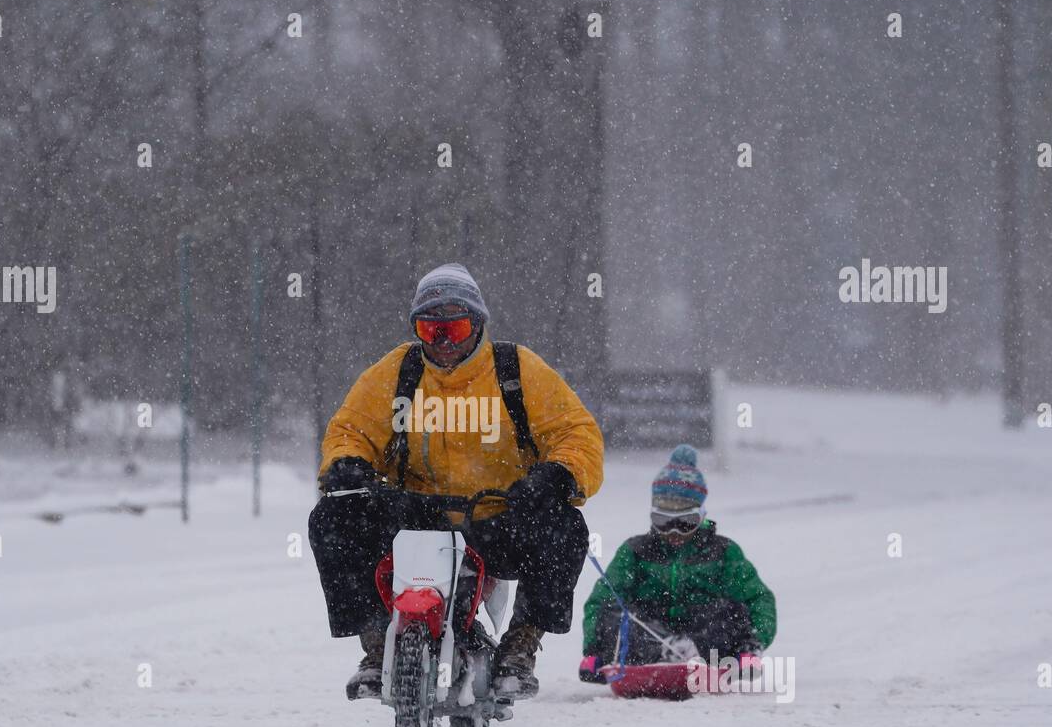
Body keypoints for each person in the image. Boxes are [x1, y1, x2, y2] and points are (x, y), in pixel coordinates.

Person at [309, 263, 603, 701]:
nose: (443, 342)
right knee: (331, 518)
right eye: (430, 330)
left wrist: (555, 475)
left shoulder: (516, 370)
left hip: (498, 518)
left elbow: (575, 432)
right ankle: (375, 646)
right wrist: (347, 464)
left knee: (565, 527)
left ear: (478, 324)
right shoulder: (399, 373)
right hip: (414, 518)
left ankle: (521, 645)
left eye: (455, 327)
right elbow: (351, 430)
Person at [579, 444, 775, 681]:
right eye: (663, 521)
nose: (673, 532)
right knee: (618, 613)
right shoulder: (635, 551)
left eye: (685, 522)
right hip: (650, 637)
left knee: (731, 612)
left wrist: (754, 644)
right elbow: (602, 599)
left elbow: (758, 598)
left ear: (701, 516)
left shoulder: (723, 551)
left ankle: (693, 652)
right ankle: (665, 651)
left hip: (707, 640)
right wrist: (593, 650)